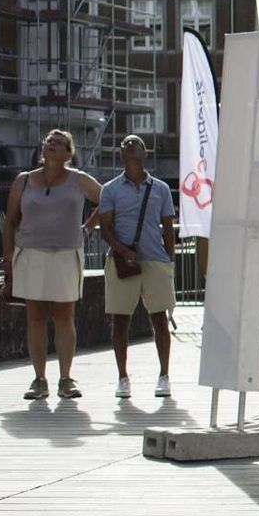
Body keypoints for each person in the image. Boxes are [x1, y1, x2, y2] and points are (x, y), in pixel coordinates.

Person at [5, 129, 103, 401]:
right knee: (35, 317)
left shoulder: (79, 180)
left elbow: (109, 201)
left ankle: (65, 379)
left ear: (68, 153)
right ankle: (39, 379)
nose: (51, 144)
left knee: (64, 316)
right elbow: (11, 220)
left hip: (65, 254)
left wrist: (87, 227)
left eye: (58, 143)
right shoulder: (23, 181)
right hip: (30, 253)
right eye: (49, 141)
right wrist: (7, 258)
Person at [94, 135, 178, 400]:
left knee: (159, 319)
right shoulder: (110, 189)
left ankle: (164, 375)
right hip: (121, 259)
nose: (131, 146)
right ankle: (122, 377)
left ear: (144, 154)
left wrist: (170, 259)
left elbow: (167, 226)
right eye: (126, 144)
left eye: (136, 144)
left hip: (154, 258)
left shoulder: (161, 188)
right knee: (120, 321)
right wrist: (123, 251)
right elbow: (104, 228)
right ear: (120, 154)